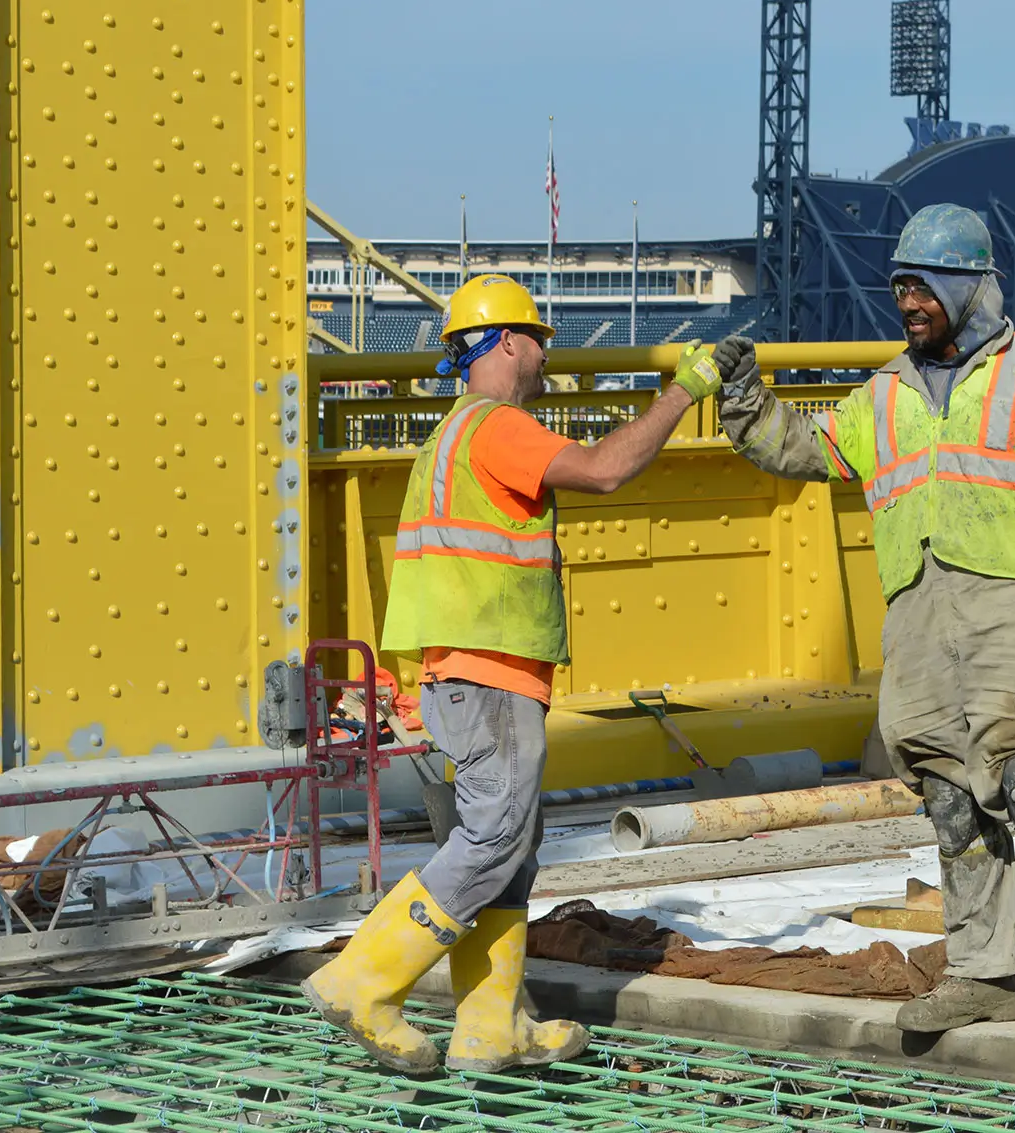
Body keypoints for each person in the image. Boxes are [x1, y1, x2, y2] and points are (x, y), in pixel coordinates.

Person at [305, 274, 722, 1075]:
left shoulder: (451, 437)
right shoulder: (498, 427)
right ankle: (362, 979)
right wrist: (679, 395)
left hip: (472, 671)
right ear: (506, 343)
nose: (545, 356)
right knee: (494, 836)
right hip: (487, 672)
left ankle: (491, 1027)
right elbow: (603, 468)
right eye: (539, 340)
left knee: (511, 847)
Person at [712, 203, 1015, 1043]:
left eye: (921, 286)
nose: (907, 301)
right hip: (918, 616)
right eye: (899, 287)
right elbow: (808, 452)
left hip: (1013, 610)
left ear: (968, 285)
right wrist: (744, 400)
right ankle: (983, 971)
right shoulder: (884, 390)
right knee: (952, 801)